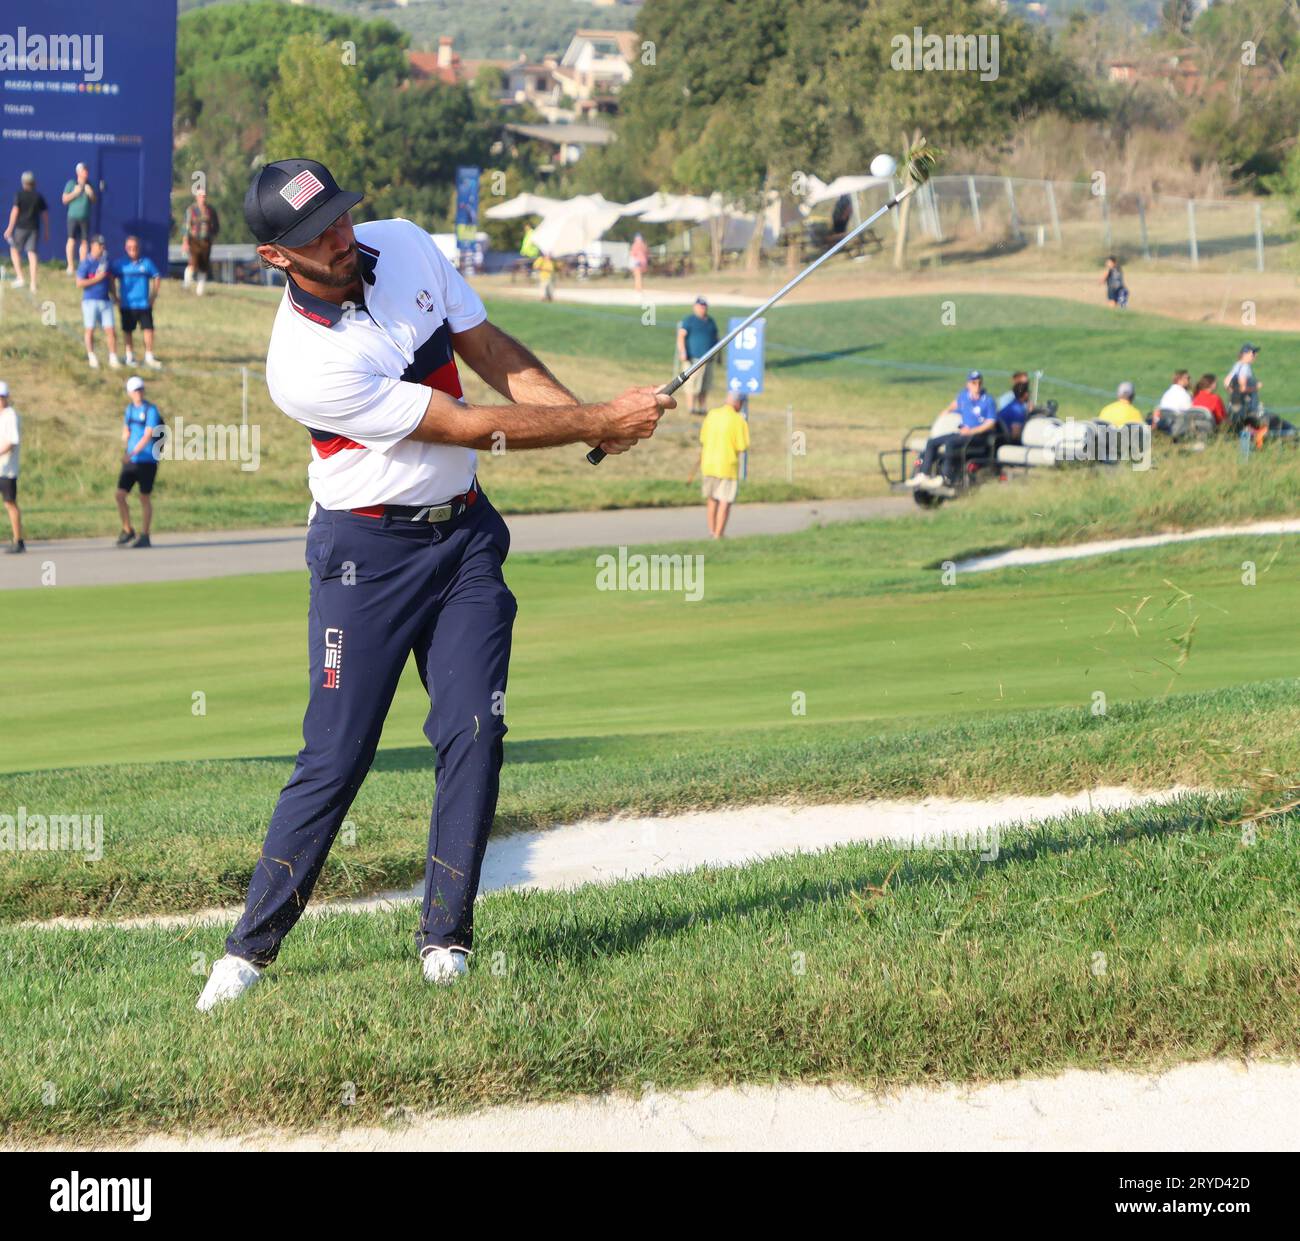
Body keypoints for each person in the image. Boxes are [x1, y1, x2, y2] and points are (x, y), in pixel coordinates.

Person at [196, 157, 669, 1011]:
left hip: (464, 540)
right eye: (316, 235)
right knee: (337, 754)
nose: (340, 238)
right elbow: (467, 425)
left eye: (341, 216)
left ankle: (446, 940)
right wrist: (595, 420)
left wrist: (588, 419)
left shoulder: (408, 244)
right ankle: (248, 950)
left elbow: (489, 352)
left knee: (474, 729)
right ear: (275, 256)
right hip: (364, 556)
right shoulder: (302, 363)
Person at [907, 370, 997, 491]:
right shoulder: (964, 396)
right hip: (963, 433)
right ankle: (923, 475)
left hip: (978, 436)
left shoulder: (988, 400)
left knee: (951, 443)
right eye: (974, 383)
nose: (977, 385)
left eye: (979, 383)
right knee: (932, 442)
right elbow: (954, 405)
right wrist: (944, 413)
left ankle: (946, 477)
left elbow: (991, 423)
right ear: (968, 384)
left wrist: (972, 431)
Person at [116, 376, 163, 548]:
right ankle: (128, 529)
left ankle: (145, 535)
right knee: (120, 495)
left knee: (144, 497)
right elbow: (126, 429)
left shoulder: (151, 410)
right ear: (129, 392)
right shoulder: (129, 409)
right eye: (135, 390)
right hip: (131, 460)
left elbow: (148, 434)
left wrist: (133, 452)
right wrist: (125, 438)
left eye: (141, 389)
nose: (139, 393)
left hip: (147, 460)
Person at [696, 390, 751, 539]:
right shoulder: (738, 420)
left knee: (712, 499)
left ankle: (712, 531)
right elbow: (742, 446)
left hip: (708, 464)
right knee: (725, 501)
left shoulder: (712, 414)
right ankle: (719, 534)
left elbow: (703, 438)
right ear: (738, 403)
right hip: (727, 466)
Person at [111, 235, 163, 368]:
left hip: (143, 304)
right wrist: (115, 297)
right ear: (126, 248)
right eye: (130, 248)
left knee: (148, 329)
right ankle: (129, 356)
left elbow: (157, 277)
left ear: (139, 248)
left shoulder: (146, 263)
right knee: (128, 330)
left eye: (135, 247)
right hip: (127, 304)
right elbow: (111, 277)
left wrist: (153, 296)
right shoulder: (121, 264)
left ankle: (149, 356)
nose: (132, 250)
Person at [76, 235, 120, 369]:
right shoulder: (86, 263)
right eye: (99, 245)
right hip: (90, 301)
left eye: (103, 245)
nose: (101, 248)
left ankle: (113, 357)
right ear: (93, 246)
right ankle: (91, 356)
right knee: (90, 329)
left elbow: (111, 280)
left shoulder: (106, 262)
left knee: (110, 330)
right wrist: (97, 278)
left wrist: (115, 296)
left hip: (105, 300)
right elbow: (79, 283)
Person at [5, 172, 49, 292]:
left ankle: (20, 277)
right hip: (34, 228)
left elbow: (15, 212)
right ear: (34, 183)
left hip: (21, 228)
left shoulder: (19, 195)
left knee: (14, 250)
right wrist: (46, 230)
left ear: (23, 182)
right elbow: (45, 215)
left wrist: (9, 228)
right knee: (32, 253)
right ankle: (33, 284)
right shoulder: (38, 196)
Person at [678, 297, 719, 416]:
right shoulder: (689, 320)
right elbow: (681, 336)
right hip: (694, 359)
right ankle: (691, 407)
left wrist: (719, 356)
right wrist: (682, 351)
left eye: (704, 306)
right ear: (695, 307)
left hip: (709, 359)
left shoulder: (710, 321)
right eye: (700, 306)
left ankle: (702, 407)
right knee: (692, 384)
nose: (702, 309)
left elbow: (717, 338)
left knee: (705, 385)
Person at [182, 187, 219, 296]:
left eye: (204, 196)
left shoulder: (210, 210)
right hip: (194, 241)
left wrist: (213, 237)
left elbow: (216, 226)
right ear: (197, 197)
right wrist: (185, 242)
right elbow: (186, 227)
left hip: (206, 242)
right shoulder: (191, 210)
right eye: (201, 196)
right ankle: (186, 285)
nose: (203, 198)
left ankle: (200, 291)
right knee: (193, 263)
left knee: (203, 265)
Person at [0, 381, 23, 554]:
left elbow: (12, 441)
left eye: (1, 397)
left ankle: (18, 540)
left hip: (7, 469)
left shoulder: (11, 415)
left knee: (9, 503)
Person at [61, 162, 96, 275]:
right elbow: (64, 200)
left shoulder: (90, 185)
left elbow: (94, 201)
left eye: (86, 170)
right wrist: (75, 193)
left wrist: (91, 194)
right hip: (73, 217)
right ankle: (70, 266)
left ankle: (82, 266)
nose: (86, 173)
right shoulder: (71, 184)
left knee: (84, 242)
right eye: (83, 170)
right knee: (71, 240)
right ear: (78, 172)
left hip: (85, 217)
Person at [996, 379, 1032, 443]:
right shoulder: (1018, 410)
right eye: (1028, 392)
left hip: (1001, 437)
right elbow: (1015, 435)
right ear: (1025, 394)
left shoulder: (1013, 404)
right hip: (1008, 441)